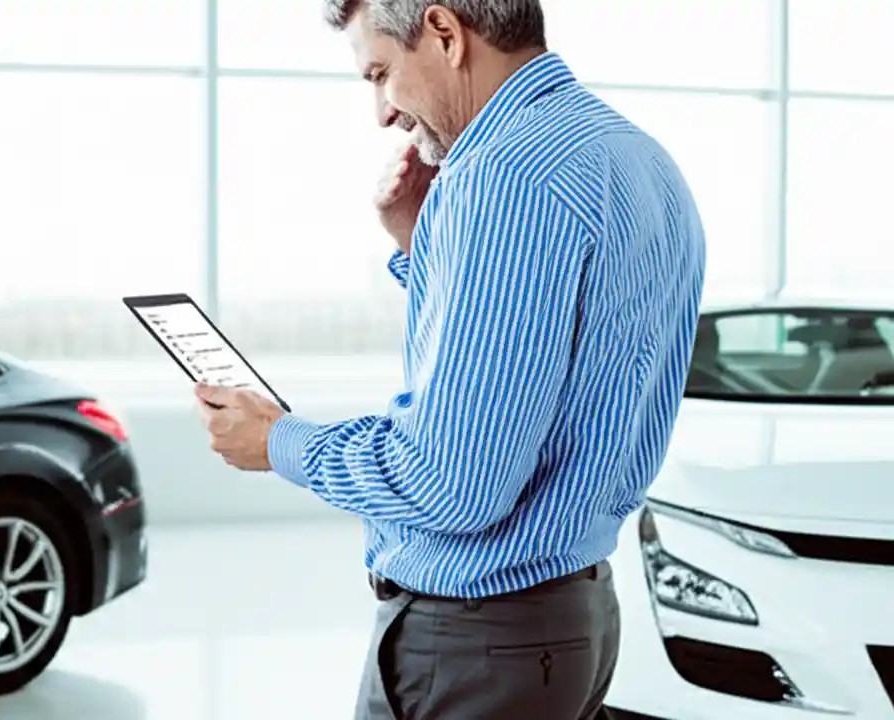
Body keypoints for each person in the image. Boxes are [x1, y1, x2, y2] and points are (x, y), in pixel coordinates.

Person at [195, 0, 706, 717]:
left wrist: (277, 440)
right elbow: (562, 350)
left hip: (475, 643)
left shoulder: (502, 177)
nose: (382, 111)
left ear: (443, 32)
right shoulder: (634, 156)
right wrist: (421, 244)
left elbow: (452, 482)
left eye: (381, 73)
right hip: (573, 622)